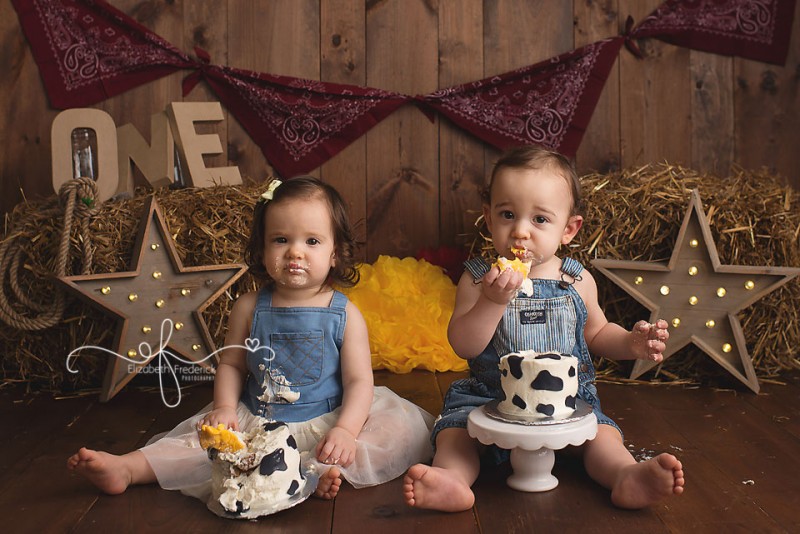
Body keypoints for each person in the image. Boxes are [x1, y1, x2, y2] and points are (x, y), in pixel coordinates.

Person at [68, 176, 434, 504]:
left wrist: (346, 430)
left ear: (335, 252)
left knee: (391, 433)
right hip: (257, 419)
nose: (295, 252)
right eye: (281, 240)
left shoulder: (345, 313)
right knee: (197, 448)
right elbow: (231, 363)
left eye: (312, 241)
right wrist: (225, 407)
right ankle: (129, 468)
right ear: (261, 250)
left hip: (326, 418)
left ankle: (313, 474)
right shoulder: (249, 308)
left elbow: (359, 381)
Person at [403, 146, 685, 512]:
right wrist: (492, 302)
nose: (520, 231)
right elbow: (465, 346)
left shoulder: (576, 279)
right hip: (490, 397)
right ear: (488, 219)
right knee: (456, 435)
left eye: (539, 220)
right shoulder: (477, 280)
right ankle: (453, 479)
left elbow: (597, 334)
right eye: (507, 214)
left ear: (568, 229)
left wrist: (631, 343)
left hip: (566, 402)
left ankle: (625, 475)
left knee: (603, 436)